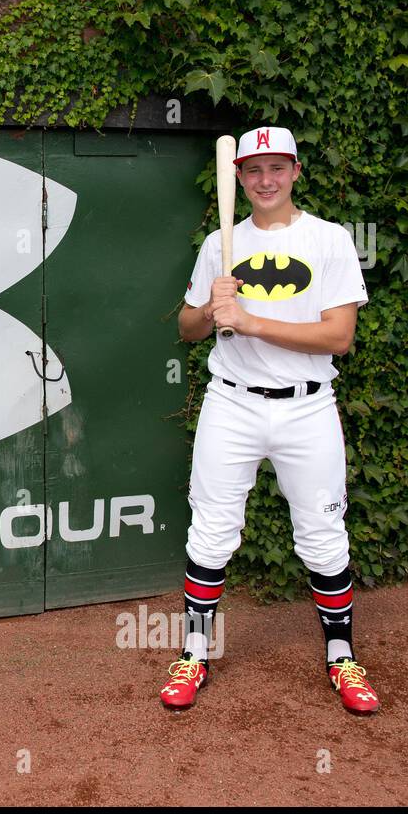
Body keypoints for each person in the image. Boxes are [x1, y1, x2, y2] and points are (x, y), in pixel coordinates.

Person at [160, 126, 380, 715]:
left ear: (295, 172)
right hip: (231, 402)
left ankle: (341, 658)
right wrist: (212, 306)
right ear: (239, 177)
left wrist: (252, 321)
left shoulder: (329, 240)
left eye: (276, 168)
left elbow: (339, 337)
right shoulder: (219, 243)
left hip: (307, 405)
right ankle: (194, 654)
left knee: (322, 536)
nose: (265, 180)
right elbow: (186, 328)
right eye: (253, 170)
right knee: (210, 530)